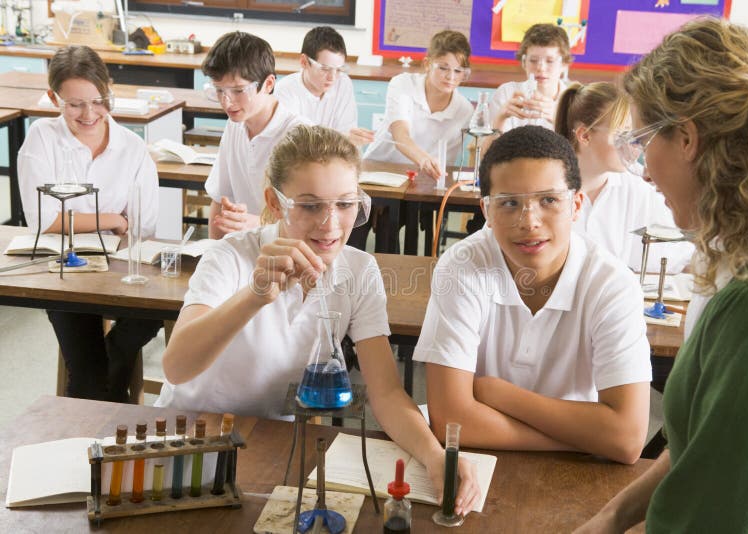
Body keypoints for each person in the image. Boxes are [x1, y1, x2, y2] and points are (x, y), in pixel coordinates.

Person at [156, 124, 480, 515]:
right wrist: (255, 296)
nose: (330, 224)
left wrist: (434, 455)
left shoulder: (358, 271)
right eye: (310, 205)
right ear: (273, 203)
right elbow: (176, 367)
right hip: (193, 435)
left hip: (276, 440)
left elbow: (386, 393)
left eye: (345, 204)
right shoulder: (231, 257)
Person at [576, 18, 748, 532]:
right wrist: (614, 516)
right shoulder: (736, 256)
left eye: (642, 141)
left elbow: (720, 515)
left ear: (687, 139)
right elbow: (703, 443)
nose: (645, 170)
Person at [413, 125, 652, 464]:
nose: (530, 222)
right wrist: (588, 440)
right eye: (509, 203)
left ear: (576, 204)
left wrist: (499, 394)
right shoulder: (463, 266)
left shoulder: (612, 285)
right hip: (479, 463)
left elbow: (627, 439)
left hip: (575, 476)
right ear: (486, 212)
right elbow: (451, 421)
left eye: (549, 200)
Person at [17, 45, 161, 402]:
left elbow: (144, 226)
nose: (89, 113)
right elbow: (43, 218)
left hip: (119, 268)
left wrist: (103, 224)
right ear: (54, 98)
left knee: (154, 312)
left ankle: (110, 368)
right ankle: (107, 398)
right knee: (87, 376)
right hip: (66, 273)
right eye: (75, 104)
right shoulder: (41, 138)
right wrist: (113, 219)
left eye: (98, 100)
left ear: (108, 89)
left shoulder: (132, 147)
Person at [553, 81, 694, 273]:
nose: (634, 146)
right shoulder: (545, 187)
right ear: (584, 135)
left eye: (636, 137)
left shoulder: (641, 189)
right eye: (622, 135)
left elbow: (683, 257)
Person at [202, 31, 308, 239]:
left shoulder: (300, 135)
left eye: (239, 91)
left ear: (268, 84)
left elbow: (311, 220)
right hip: (245, 251)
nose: (227, 102)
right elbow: (219, 200)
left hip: (291, 258)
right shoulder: (235, 125)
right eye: (219, 90)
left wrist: (259, 223)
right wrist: (212, 255)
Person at [363, 30, 473, 178]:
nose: (450, 77)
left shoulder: (464, 110)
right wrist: (423, 160)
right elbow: (400, 135)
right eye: (443, 68)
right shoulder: (403, 84)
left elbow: (446, 162)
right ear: (427, 64)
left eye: (458, 71)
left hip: (423, 180)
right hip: (380, 170)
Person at [274, 26, 374, 147]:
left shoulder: (343, 82)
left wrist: (351, 138)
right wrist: (340, 138)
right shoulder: (284, 91)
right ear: (304, 62)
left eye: (338, 69)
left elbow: (347, 132)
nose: (332, 77)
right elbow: (296, 142)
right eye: (325, 69)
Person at [489, 24, 571, 134]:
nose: (540, 68)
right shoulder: (506, 93)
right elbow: (486, 150)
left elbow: (581, 149)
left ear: (564, 64)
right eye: (533, 60)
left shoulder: (574, 101)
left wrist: (559, 121)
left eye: (550, 61)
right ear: (524, 62)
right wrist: (500, 119)